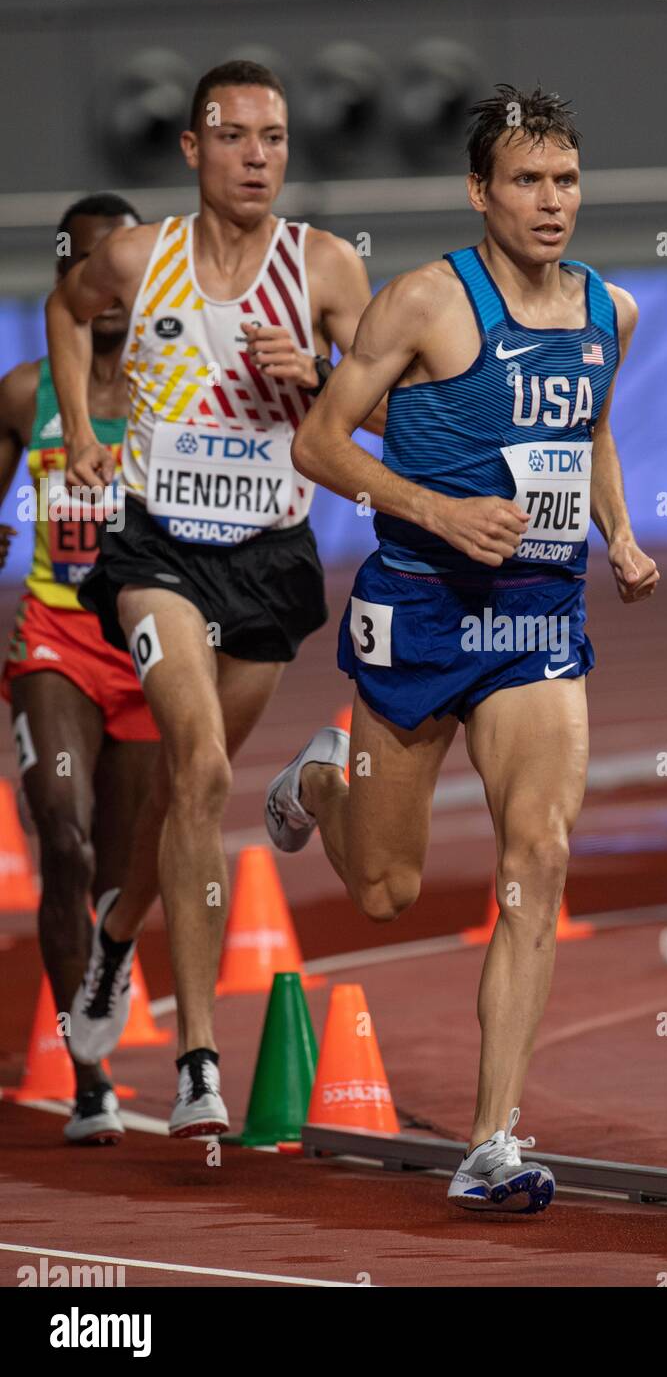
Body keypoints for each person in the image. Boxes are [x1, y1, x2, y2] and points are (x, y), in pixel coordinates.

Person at [265, 84, 658, 1212]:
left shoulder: (608, 310)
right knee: (384, 892)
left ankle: (490, 1142)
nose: (550, 202)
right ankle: (316, 783)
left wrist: (619, 535)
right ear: (479, 191)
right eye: (526, 181)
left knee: (538, 855)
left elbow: (585, 432)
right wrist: (437, 512)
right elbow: (318, 441)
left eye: (565, 180)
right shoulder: (422, 303)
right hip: (422, 606)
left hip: (536, 621)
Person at [46, 60, 380, 1138]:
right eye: (234, 137)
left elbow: (381, 422)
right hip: (158, 553)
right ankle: (198, 1058)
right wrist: (89, 436)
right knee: (193, 767)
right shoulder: (139, 260)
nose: (257, 157)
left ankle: (112, 937)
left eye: (274, 138)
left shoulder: (324, 270)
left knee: (189, 796)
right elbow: (63, 304)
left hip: (270, 558)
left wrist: (315, 382)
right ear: (192, 149)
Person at [0, 193, 160, 1145]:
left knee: (118, 870)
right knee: (63, 842)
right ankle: (88, 1072)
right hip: (54, 641)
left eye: (123, 265)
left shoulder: (172, 392)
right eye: (89, 267)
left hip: (145, 647)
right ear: (66, 277)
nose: (106, 287)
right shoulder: (26, 394)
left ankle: (106, 966)